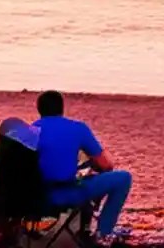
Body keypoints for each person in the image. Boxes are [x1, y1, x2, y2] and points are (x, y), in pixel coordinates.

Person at [33, 90, 132, 247]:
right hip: (68, 194)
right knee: (123, 178)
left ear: (39, 109)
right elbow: (106, 165)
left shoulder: (27, 132)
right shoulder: (77, 128)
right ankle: (102, 234)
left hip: (36, 196)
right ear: (62, 108)